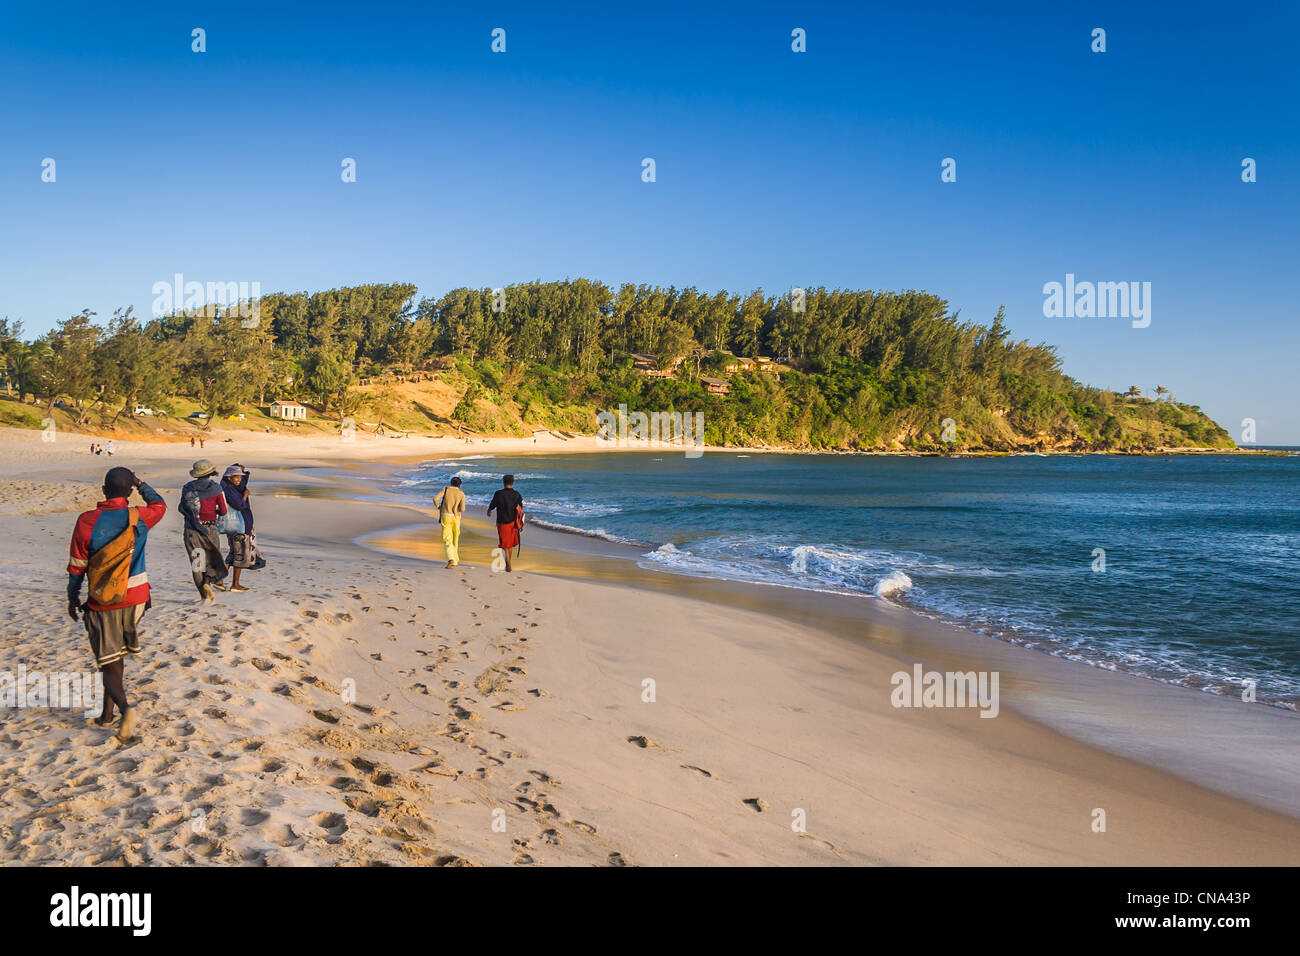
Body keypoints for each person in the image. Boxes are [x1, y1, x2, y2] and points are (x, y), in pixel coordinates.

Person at [67, 467, 167, 741]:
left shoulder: (87, 520)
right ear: (130, 491)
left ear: (103, 490)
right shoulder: (141, 516)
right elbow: (160, 504)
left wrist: (72, 596)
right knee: (115, 655)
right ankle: (106, 715)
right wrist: (141, 483)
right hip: (137, 599)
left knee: (107, 660)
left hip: (103, 601)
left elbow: (77, 565)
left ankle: (125, 710)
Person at [179, 459, 228, 603]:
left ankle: (204, 595)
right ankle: (208, 581)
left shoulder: (187, 488)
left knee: (197, 563)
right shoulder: (216, 489)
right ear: (211, 472)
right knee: (213, 559)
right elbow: (224, 510)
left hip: (192, 530)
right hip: (210, 529)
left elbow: (182, 507)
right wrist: (214, 510)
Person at [220, 464, 259, 591]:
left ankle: (219, 580)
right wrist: (246, 494)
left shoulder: (231, 485)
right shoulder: (228, 489)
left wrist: (241, 470)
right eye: (236, 477)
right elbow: (239, 505)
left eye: (240, 477)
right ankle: (234, 584)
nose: (239, 479)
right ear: (229, 477)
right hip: (239, 525)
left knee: (233, 552)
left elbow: (243, 482)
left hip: (235, 525)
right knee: (240, 555)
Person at [486, 474, 524, 572]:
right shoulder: (517, 494)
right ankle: (508, 563)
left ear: (503, 482)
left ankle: (508, 564)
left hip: (502, 522)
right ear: (512, 482)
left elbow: (493, 503)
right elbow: (520, 510)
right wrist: (521, 524)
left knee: (504, 544)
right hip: (513, 522)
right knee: (509, 544)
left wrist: (489, 510)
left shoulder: (498, 493)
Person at [434, 476, 466, 568]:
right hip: (456, 518)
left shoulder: (446, 489)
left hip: (446, 516)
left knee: (447, 538)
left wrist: (439, 507)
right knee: (455, 538)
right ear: (459, 485)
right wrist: (457, 508)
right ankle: (455, 560)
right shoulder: (461, 493)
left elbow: (435, 498)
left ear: (451, 483)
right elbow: (463, 509)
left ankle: (451, 558)